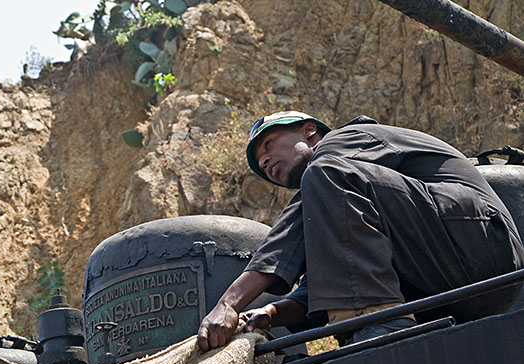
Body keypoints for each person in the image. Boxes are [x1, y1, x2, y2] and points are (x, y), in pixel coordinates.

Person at [198, 111, 524, 350]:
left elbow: (300, 214)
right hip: (458, 288)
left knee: (322, 173)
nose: (266, 162)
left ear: (310, 131)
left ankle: (377, 321)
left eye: (269, 144)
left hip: (483, 244)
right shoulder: (337, 203)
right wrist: (269, 313)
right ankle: (375, 323)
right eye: (260, 164)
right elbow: (334, 277)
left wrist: (228, 304)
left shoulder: (345, 142)